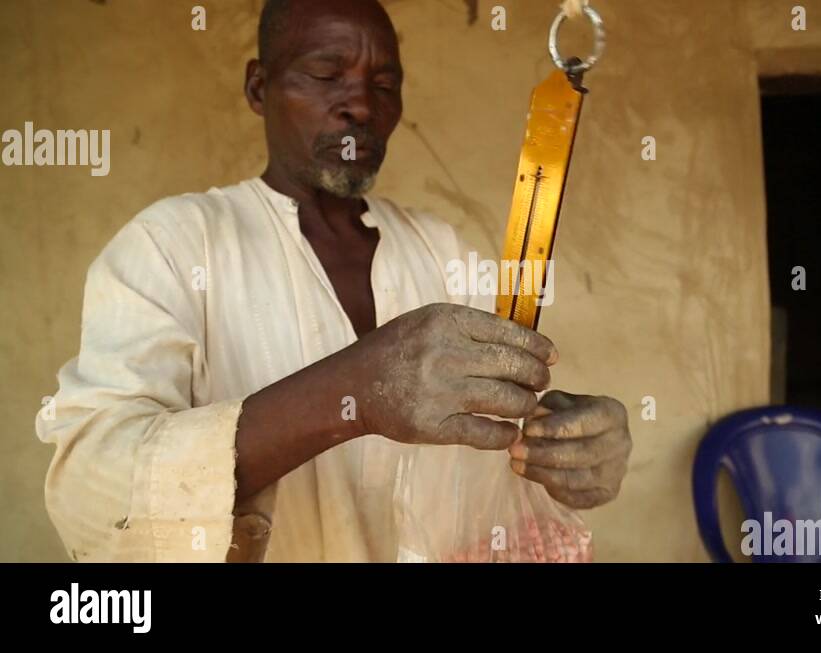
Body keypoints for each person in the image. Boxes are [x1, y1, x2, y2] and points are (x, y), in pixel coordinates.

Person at [36, 0, 631, 562]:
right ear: (259, 87)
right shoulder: (170, 245)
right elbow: (93, 496)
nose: (361, 107)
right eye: (326, 73)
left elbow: (507, 444)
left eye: (384, 85)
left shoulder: (442, 249)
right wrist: (353, 391)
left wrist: (572, 452)